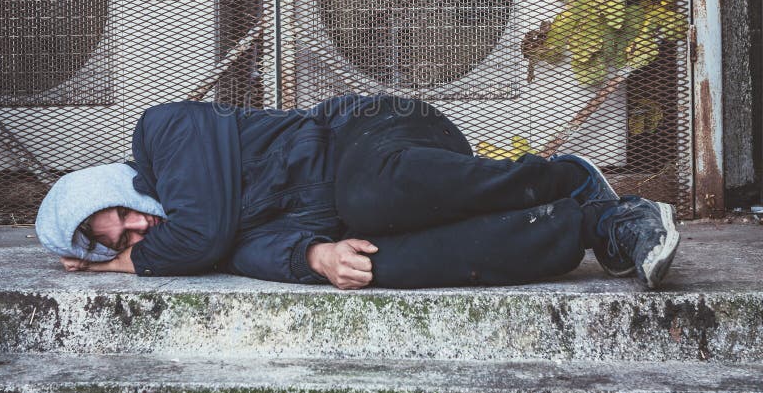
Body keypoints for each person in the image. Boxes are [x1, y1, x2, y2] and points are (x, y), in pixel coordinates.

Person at [35, 94, 680, 290]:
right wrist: (315, 258)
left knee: (369, 198)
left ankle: (564, 174)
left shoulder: (161, 134)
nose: (135, 230)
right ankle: (593, 225)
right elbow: (238, 251)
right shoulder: (203, 244)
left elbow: (203, 232)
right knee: (367, 265)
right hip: (379, 203)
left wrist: (127, 264)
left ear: (110, 185)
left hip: (370, 134)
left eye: (118, 215)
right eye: (114, 240)